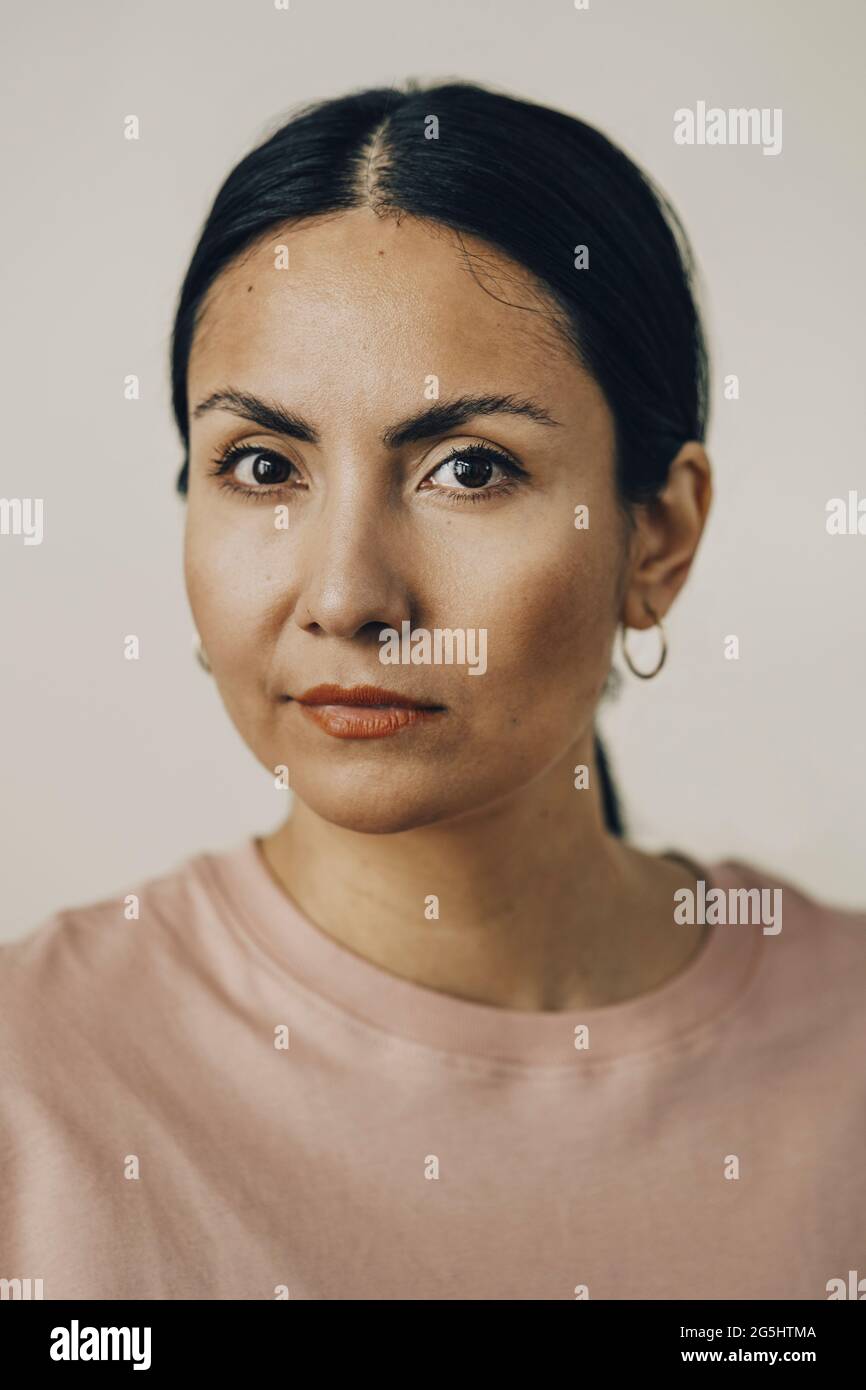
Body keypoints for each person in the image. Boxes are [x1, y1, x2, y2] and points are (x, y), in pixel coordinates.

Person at [2, 80, 864, 1302]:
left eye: (468, 467)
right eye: (260, 464)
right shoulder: (30, 1084)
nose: (348, 595)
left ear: (657, 537)